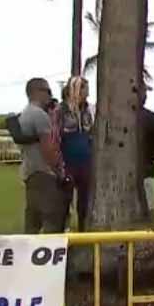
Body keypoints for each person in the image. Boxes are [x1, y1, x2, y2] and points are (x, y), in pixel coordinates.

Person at [19, 78, 66, 234]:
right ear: (37, 92)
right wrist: (59, 172)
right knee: (52, 220)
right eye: (47, 91)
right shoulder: (39, 116)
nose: (50, 95)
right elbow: (48, 148)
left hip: (29, 173)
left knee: (32, 222)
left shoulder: (24, 115)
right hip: (45, 174)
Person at [59, 76, 93, 231]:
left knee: (84, 199)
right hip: (68, 162)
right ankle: (64, 229)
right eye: (85, 88)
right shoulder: (61, 111)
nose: (87, 92)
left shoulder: (88, 110)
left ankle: (83, 229)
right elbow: (56, 137)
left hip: (86, 161)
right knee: (65, 199)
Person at [139, 85, 154, 222]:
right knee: (150, 204)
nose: (145, 95)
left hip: (146, 167)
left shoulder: (151, 117)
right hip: (147, 167)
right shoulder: (151, 117)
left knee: (150, 202)